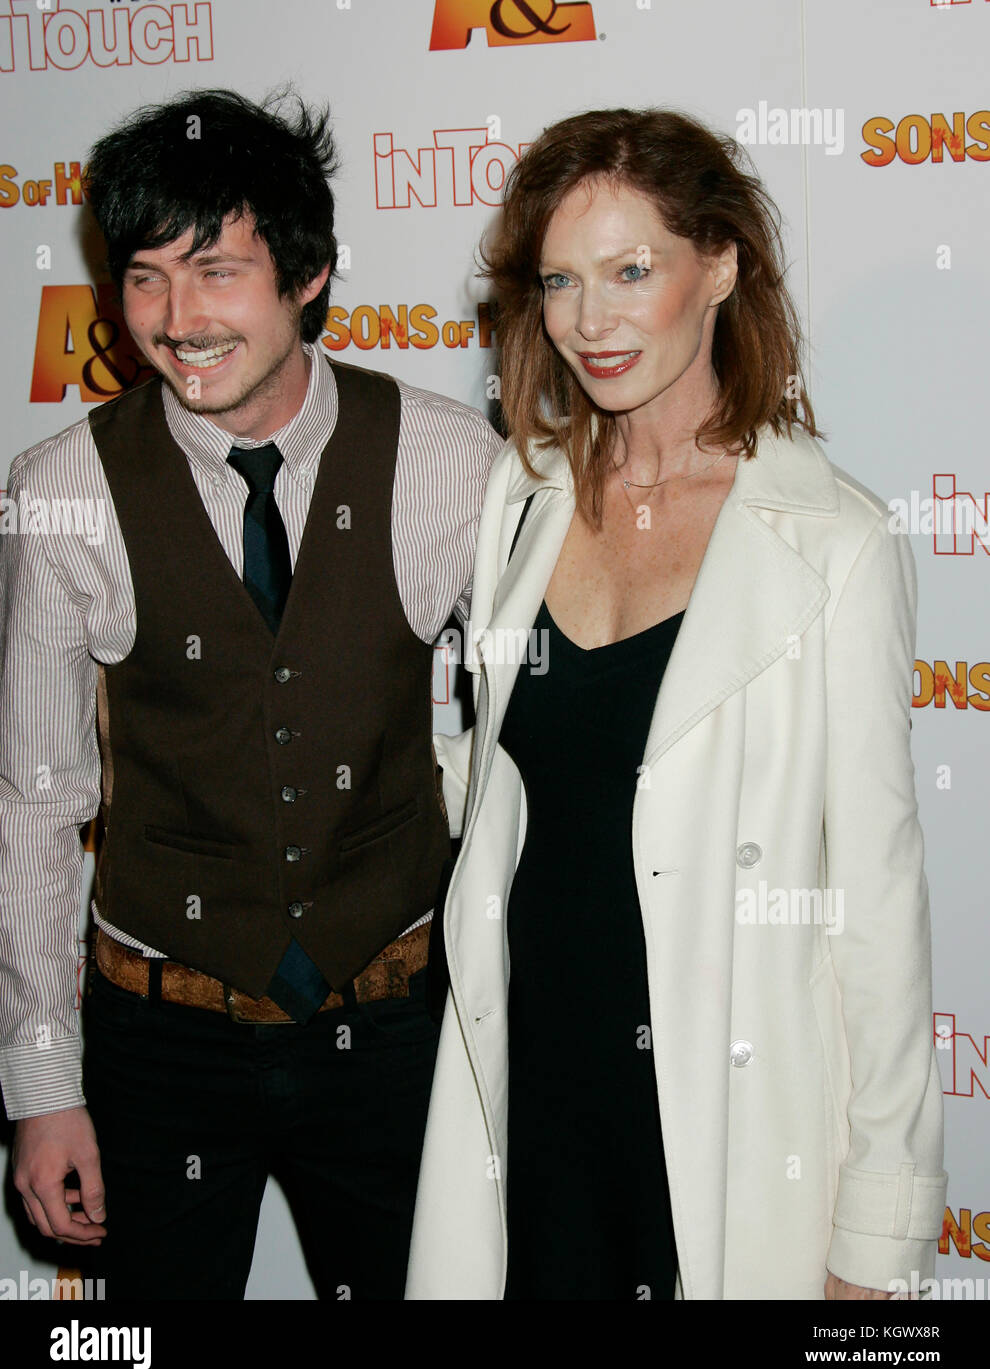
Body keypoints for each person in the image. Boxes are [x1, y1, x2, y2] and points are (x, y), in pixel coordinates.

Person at [405, 108, 947, 1301]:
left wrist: (876, 1237)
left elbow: (877, 910)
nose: (590, 320)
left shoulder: (832, 544)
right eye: (560, 280)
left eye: (631, 271)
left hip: (720, 1107)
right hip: (529, 1080)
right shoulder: (523, 496)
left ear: (722, 264)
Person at [0, 88, 500, 1300]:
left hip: (391, 1025)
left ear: (311, 273)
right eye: (145, 277)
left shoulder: (447, 463)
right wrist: (43, 1089)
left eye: (216, 271)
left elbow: (522, 756)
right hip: (157, 1034)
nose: (178, 321)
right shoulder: (63, 488)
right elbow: (34, 801)